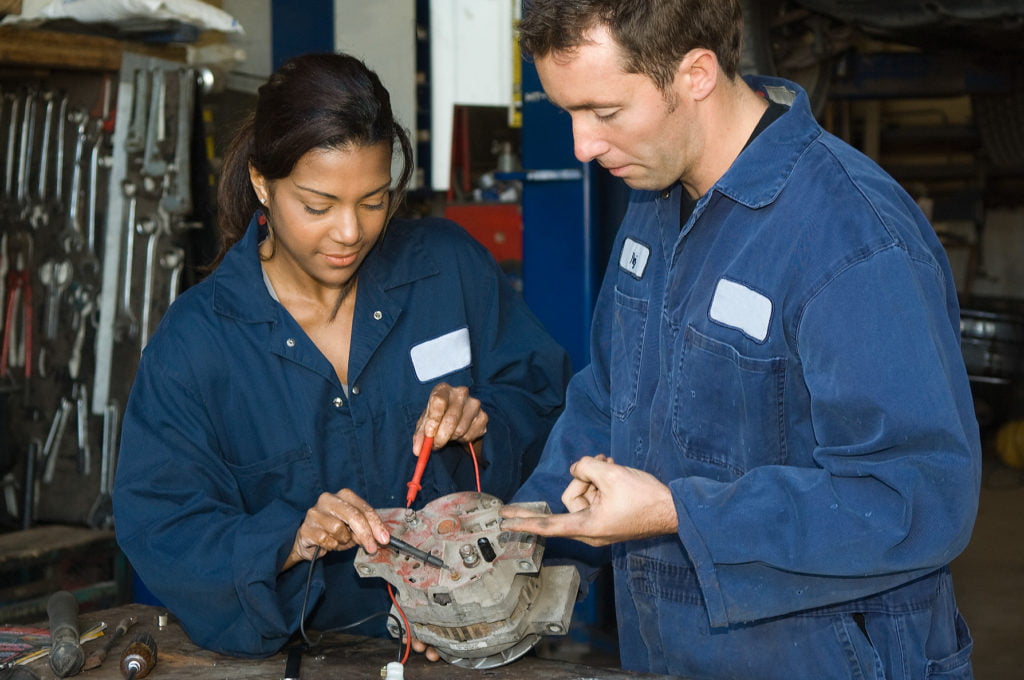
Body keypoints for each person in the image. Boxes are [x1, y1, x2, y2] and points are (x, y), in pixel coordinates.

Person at [499, 1, 982, 678]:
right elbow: (610, 403)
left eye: (605, 113)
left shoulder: (853, 237)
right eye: (567, 112)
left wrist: (677, 513)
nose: (582, 145)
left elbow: (917, 499)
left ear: (695, 73)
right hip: (671, 653)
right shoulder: (651, 206)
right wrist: (513, 539)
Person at [112, 52, 571, 658]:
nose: (351, 232)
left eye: (374, 200)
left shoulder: (448, 270)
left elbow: (548, 398)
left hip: (474, 643)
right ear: (261, 184)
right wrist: (289, 540)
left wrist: (483, 428)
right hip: (310, 657)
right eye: (318, 206)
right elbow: (163, 524)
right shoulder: (196, 345)